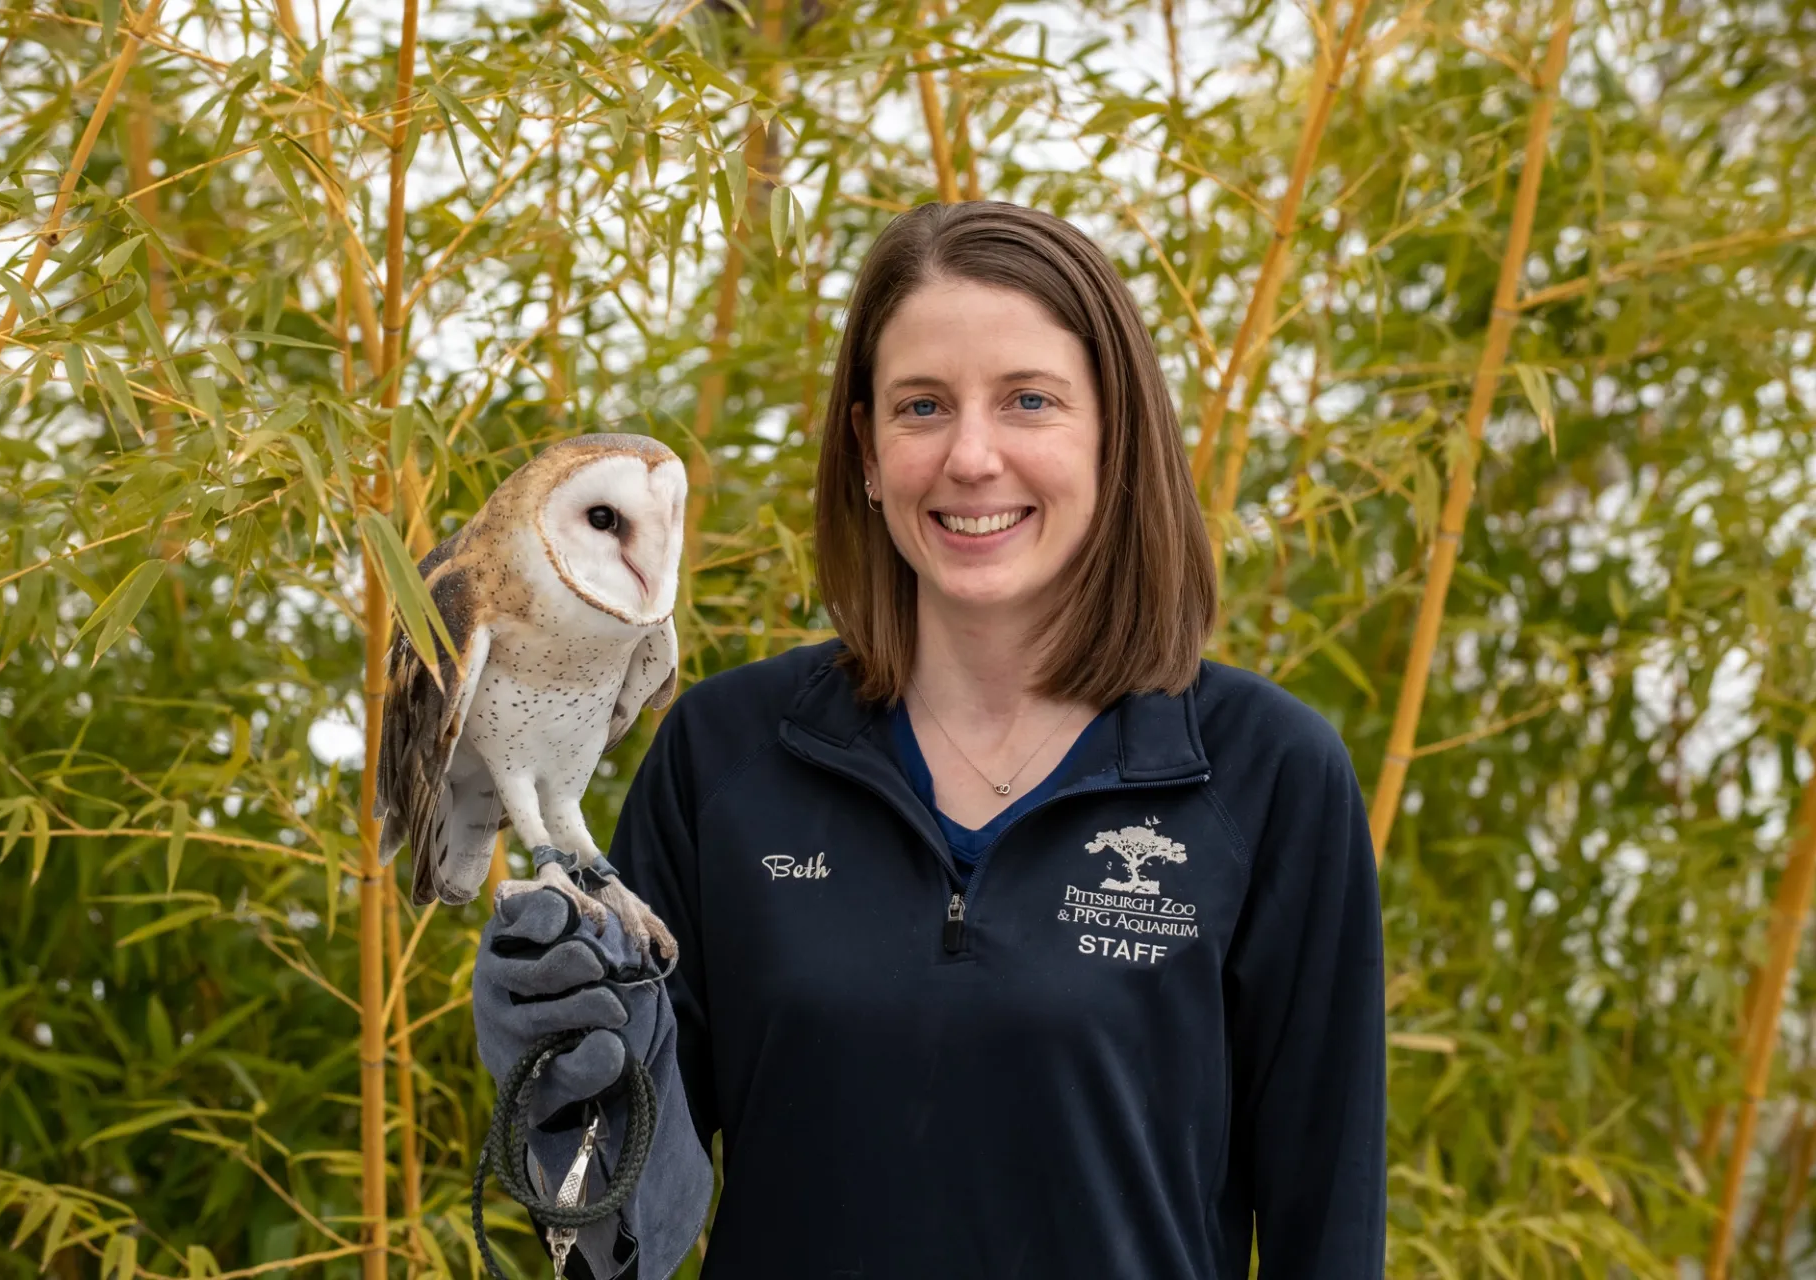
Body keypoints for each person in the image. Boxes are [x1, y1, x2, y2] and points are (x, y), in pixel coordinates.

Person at [472, 200, 1387, 1280]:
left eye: (1030, 400)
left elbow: (1328, 1229)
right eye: (922, 406)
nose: (970, 455)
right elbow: (623, 1235)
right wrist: (566, 1089)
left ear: (1115, 434)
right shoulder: (724, 756)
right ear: (866, 447)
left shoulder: (1265, 773)